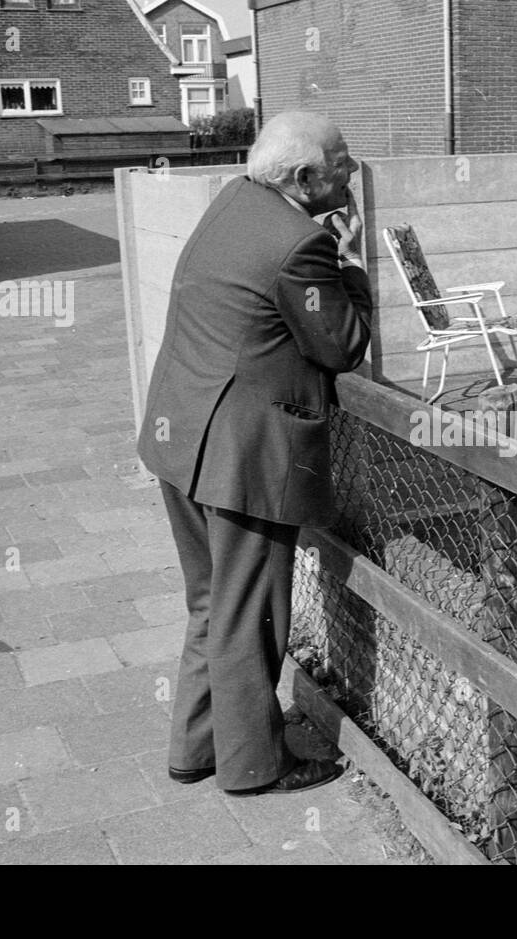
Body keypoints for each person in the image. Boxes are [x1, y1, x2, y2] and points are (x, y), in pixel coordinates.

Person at [137, 111, 371, 794]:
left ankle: (195, 747)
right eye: (342, 161)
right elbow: (342, 344)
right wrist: (351, 260)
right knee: (251, 615)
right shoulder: (301, 246)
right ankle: (253, 765)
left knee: (211, 600)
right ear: (304, 179)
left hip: (179, 438)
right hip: (239, 458)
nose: (352, 172)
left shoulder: (233, 203)